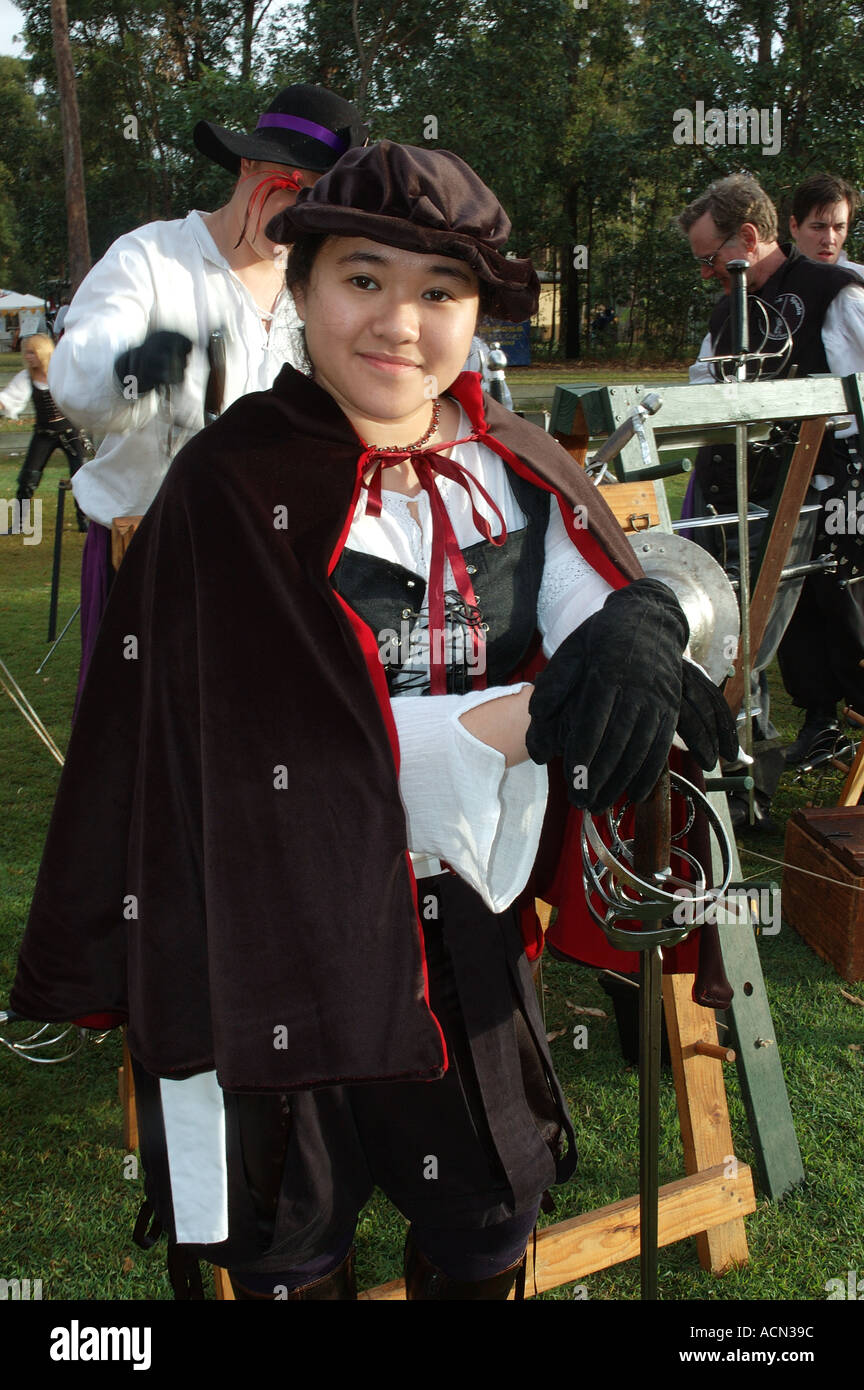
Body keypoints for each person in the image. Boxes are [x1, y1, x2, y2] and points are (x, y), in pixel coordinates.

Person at [12, 141, 735, 1300]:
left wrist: (652, 613)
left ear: (478, 312)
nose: (401, 321)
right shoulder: (225, 488)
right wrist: (523, 717)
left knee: (489, 1207)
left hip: (462, 928)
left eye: (439, 291)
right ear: (297, 288)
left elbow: (608, 606)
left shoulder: (513, 462)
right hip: (268, 934)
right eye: (364, 278)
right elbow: (267, 756)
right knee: (288, 1234)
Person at [47, 83, 367, 688]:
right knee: (145, 750)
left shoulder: (319, 288)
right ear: (246, 164)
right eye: (286, 184)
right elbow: (77, 376)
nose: (293, 213)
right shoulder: (150, 258)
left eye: (317, 198)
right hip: (146, 551)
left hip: (279, 561)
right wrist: (129, 370)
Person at [679, 173, 864, 774]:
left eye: (711, 259)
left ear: (750, 236)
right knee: (785, 618)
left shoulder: (835, 291)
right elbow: (702, 391)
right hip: (759, 492)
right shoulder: (726, 312)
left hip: (835, 488)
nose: (707, 273)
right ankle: (816, 725)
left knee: (846, 611)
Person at [0, 334, 88, 530]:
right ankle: (18, 523)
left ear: (43, 353)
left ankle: (84, 521)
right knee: (28, 477)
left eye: (32, 352)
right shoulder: (26, 377)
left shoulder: (63, 373)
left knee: (81, 475)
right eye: (27, 352)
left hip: (70, 432)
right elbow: (8, 397)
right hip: (44, 434)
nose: (28, 356)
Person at [789, 172, 863, 276]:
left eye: (839, 228)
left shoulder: (858, 282)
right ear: (794, 227)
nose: (829, 240)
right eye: (818, 227)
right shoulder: (773, 283)